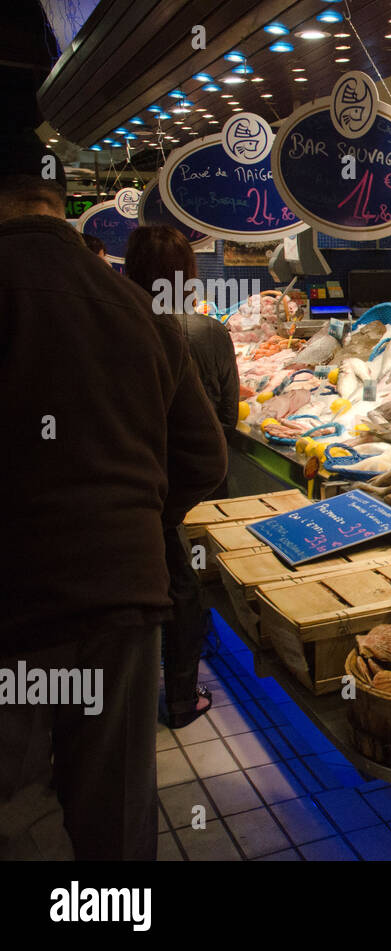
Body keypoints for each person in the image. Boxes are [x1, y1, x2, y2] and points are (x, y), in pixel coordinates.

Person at [0, 128, 227, 860]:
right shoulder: (138, 311)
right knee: (117, 808)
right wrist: (133, 515)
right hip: (123, 598)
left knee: (14, 798)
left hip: (18, 603)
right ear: (57, 199)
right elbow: (204, 456)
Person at [125, 225, 239, 729]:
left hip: (144, 483)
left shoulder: (118, 324)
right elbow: (228, 420)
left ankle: (156, 679)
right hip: (191, 484)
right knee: (188, 589)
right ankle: (180, 694)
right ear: (189, 275)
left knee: (173, 582)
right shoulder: (205, 331)